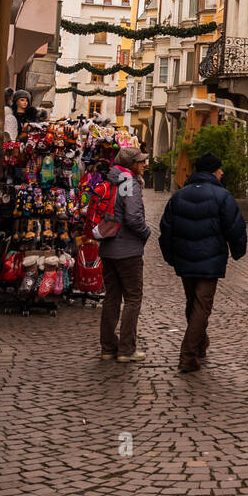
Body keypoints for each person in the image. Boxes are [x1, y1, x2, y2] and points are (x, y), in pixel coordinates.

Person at [159, 152, 247, 375]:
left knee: (193, 303)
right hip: (210, 260)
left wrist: (170, 256)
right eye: (220, 168)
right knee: (201, 306)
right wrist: (238, 250)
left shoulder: (179, 196)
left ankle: (200, 344)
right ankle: (188, 356)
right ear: (213, 171)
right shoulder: (222, 195)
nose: (222, 172)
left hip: (185, 259)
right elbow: (235, 227)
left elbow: (166, 228)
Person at [99, 145, 152, 364]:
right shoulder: (129, 183)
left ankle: (108, 348)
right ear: (132, 164)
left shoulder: (113, 180)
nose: (144, 165)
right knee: (132, 298)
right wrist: (146, 233)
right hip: (127, 250)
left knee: (111, 297)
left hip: (108, 247)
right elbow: (133, 217)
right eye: (141, 161)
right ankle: (126, 349)